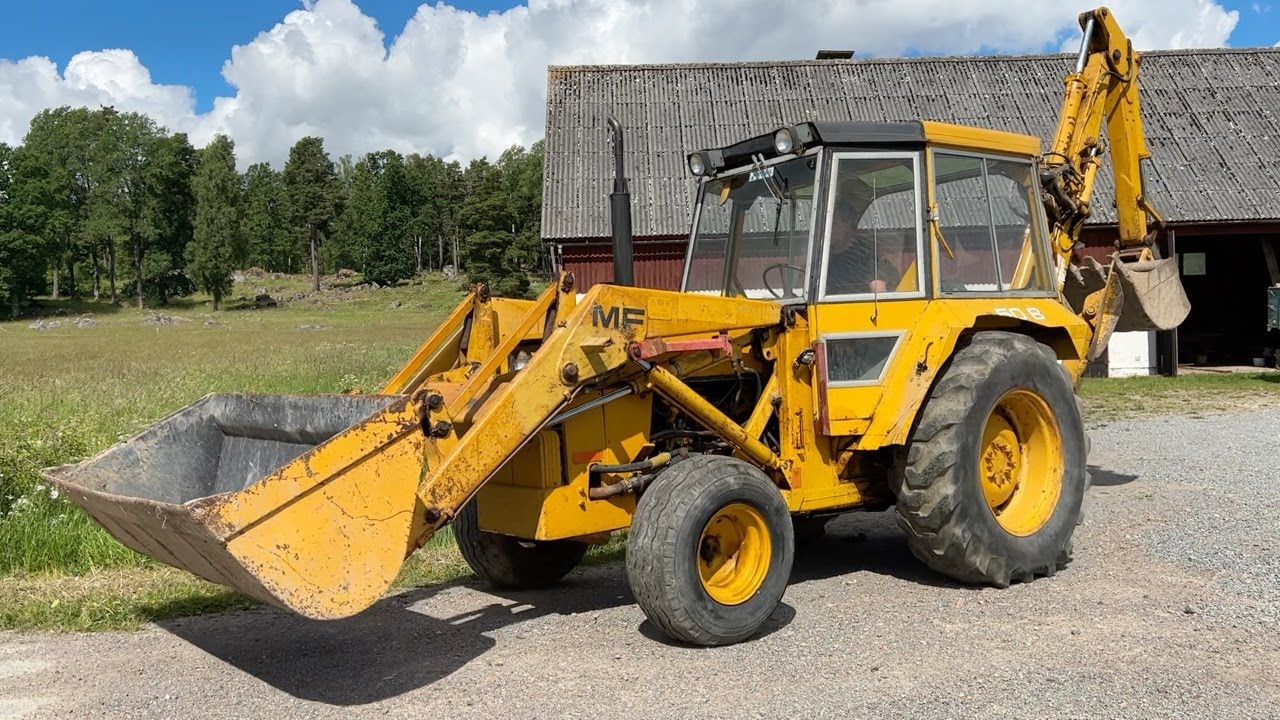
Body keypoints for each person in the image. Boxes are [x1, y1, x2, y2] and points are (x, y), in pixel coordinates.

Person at [824, 197, 900, 296]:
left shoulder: (865, 259)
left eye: (833, 223)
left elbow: (879, 291)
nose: (827, 229)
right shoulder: (824, 259)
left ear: (847, 225)